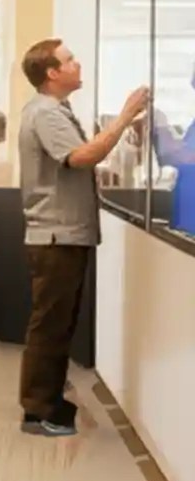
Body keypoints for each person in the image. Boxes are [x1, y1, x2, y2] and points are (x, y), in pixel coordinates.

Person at [17, 37, 149, 437]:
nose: (77, 64)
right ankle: (38, 412)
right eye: (69, 60)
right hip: (56, 237)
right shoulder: (46, 113)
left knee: (59, 323)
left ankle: (49, 400)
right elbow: (83, 157)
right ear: (52, 73)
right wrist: (125, 115)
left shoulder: (56, 110)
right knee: (50, 325)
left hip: (64, 235)